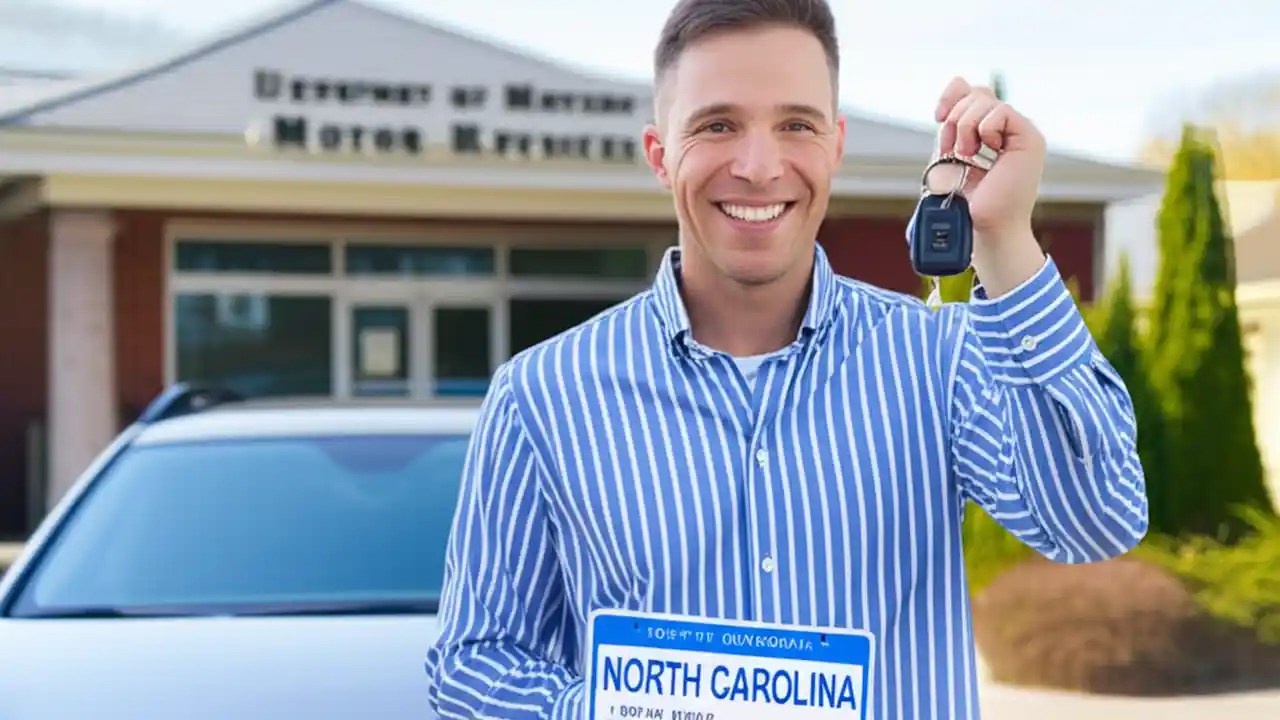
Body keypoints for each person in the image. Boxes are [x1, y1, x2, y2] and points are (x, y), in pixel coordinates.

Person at [424, 0, 1149, 717]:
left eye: (795, 125)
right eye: (717, 125)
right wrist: (619, 711)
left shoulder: (941, 362)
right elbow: (471, 664)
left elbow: (1098, 519)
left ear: (834, 145)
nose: (758, 166)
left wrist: (1004, 241)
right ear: (659, 154)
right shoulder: (542, 395)